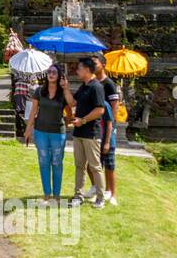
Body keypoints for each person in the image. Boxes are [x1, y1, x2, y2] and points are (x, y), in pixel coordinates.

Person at [24, 65, 76, 205]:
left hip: (58, 133)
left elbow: (72, 104)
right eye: (49, 72)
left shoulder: (62, 93)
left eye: (54, 72)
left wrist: (66, 88)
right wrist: (28, 129)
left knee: (57, 163)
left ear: (59, 75)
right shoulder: (39, 91)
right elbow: (33, 111)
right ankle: (47, 194)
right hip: (40, 132)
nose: (51, 74)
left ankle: (57, 196)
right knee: (43, 162)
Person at [69, 57, 107, 208]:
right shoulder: (83, 86)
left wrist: (83, 120)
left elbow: (100, 110)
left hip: (91, 133)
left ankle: (100, 198)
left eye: (79, 68)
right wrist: (65, 88)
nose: (76, 71)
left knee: (95, 166)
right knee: (79, 166)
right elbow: (73, 102)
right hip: (78, 133)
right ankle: (78, 195)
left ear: (87, 70)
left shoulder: (96, 87)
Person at [92, 54, 121, 206]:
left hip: (107, 126)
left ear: (103, 65)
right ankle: (98, 189)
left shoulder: (108, 83)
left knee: (109, 161)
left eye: (95, 63)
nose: (92, 65)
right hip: (95, 126)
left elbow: (115, 105)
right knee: (95, 161)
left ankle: (112, 192)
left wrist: (112, 125)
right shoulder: (91, 82)